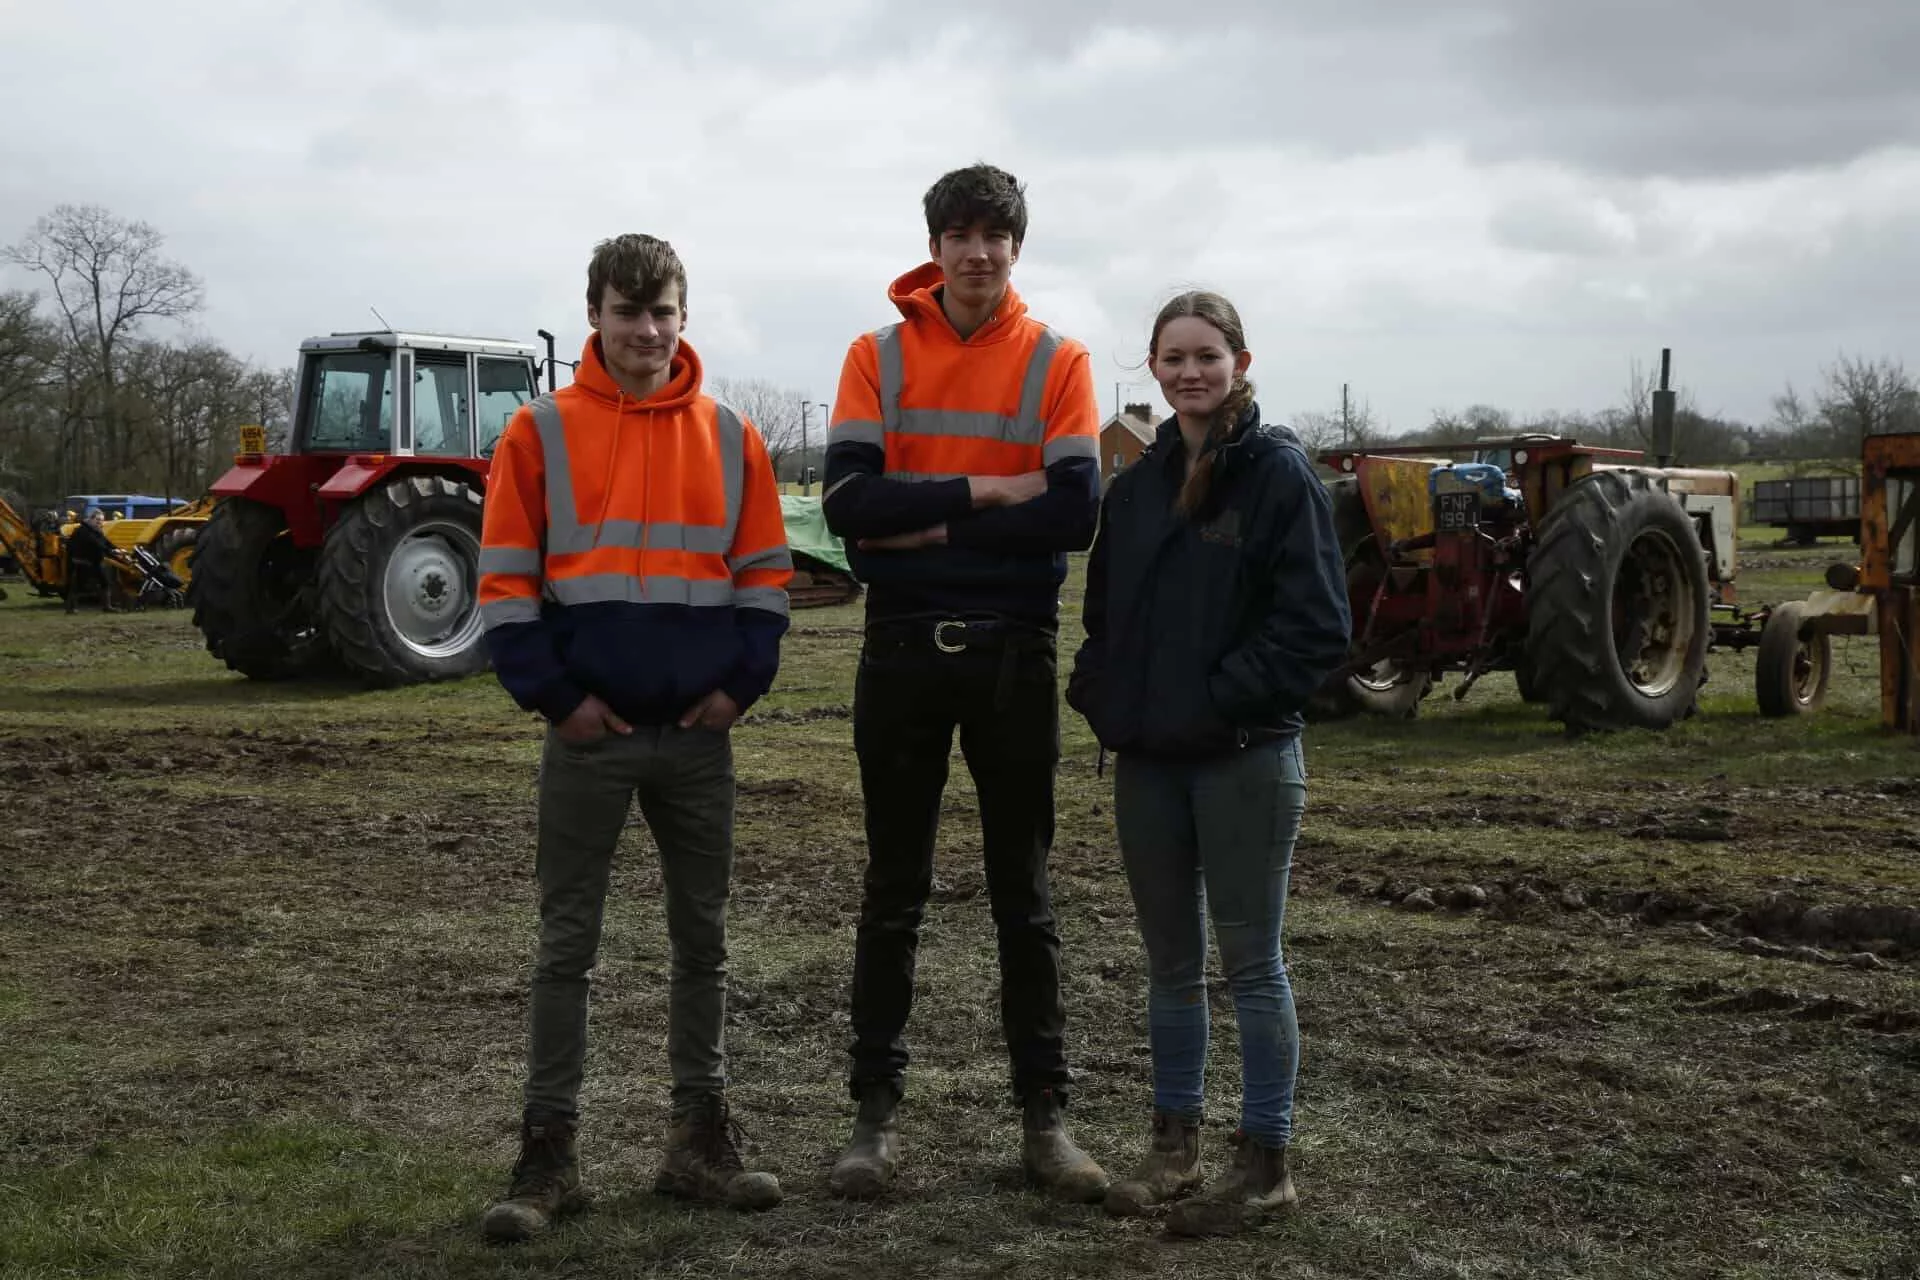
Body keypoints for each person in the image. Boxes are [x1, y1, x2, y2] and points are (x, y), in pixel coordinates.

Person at [476, 233, 795, 1243]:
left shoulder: (732, 432)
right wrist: (555, 699)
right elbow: (504, 583)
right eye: (628, 311)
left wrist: (739, 687)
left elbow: (765, 578)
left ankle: (700, 1141)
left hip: (698, 737)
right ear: (596, 317)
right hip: (588, 735)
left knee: (704, 940)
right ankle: (549, 1155)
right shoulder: (539, 432)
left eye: (663, 311)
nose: (647, 330)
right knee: (567, 946)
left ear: (683, 318)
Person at [820, 163, 1108, 1202]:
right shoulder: (876, 354)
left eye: (997, 235)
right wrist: (987, 492)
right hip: (900, 649)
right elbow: (851, 508)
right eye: (961, 233)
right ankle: (871, 1122)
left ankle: (1047, 1121)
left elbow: (1074, 514)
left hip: (1014, 656)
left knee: (1022, 898)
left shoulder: (1058, 359)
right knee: (891, 891)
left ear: (1016, 249)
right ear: (934, 244)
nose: (979, 252)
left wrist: (921, 527)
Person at [1066, 290, 1351, 1236]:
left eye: (1207, 355)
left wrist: (1218, 698)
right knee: (1170, 965)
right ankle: (1173, 1147)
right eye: (1173, 357)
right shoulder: (1139, 488)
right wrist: (1105, 700)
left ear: (1241, 360)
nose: (1190, 371)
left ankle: (1266, 1163)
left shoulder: (1276, 476)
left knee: (1252, 965)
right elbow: (1104, 617)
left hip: (1244, 761)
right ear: (1152, 367)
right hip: (1148, 764)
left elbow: (1316, 630)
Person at [64, 506, 120, 613]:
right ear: (91, 519)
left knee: (105, 582)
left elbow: (105, 542)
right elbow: (96, 544)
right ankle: (71, 608)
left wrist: (116, 549)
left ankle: (107, 607)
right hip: (81, 561)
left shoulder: (96, 530)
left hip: (94, 561)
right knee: (79, 585)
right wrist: (111, 551)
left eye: (102, 520)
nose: (100, 522)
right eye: (98, 520)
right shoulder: (83, 530)